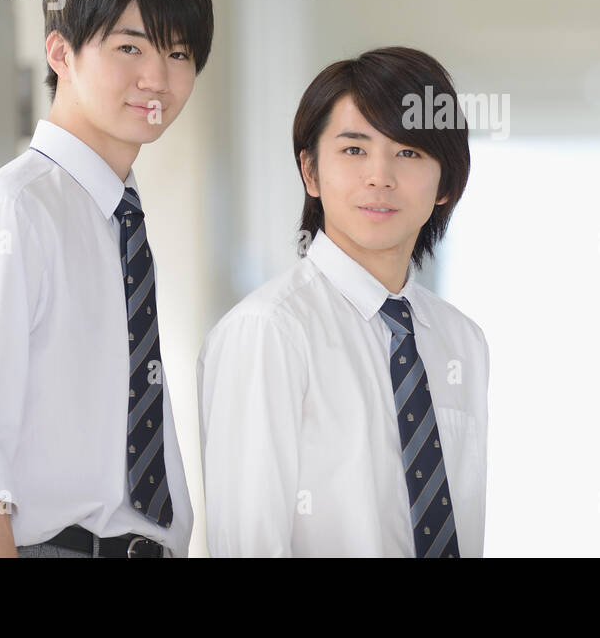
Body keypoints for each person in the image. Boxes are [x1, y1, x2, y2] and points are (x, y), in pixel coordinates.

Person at [0, 0, 214, 558]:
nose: (157, 79)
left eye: (180, 54)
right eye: (130, 47)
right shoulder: (11, 213)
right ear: (61, 53)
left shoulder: (117, 222)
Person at [198, 46, 490, 556]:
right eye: (354, 150)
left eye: (409, 152)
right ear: (311, 172)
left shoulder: (461, 341)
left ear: (445, 181)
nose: (380, 176)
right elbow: (248, 541)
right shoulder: (270, 330)